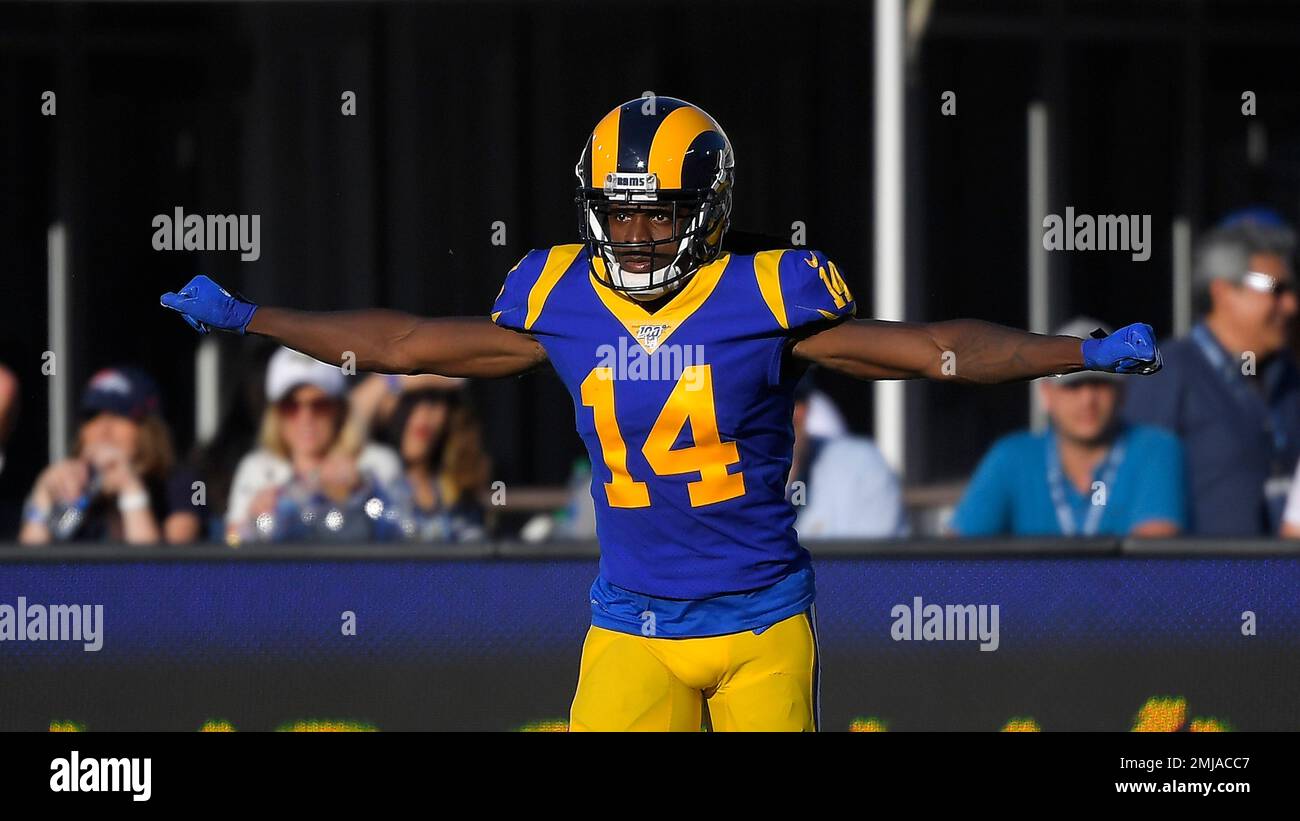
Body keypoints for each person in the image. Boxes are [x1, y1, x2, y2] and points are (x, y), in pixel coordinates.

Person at [161, 97, 1161, 731]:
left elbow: (935, 350)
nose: (636, 232)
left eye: (659, 210)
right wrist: (258, 316)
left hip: (761, 619)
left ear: (707, 208)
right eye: (620, 207)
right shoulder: (556, 295)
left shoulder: (769, 293)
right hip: (630, 622)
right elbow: (408, 343)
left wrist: (1071, 353)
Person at [1124, 210, 1300, 536]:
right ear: (1223, 292)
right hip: (1200, 582)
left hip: (1285, 581)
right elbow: (1136, 499)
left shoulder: (1289, 375)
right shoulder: (1167, 374)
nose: (1291, 306)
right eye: (1276, 290)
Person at [951, 318, 1186, 538]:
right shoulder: (1011, 457)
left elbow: (1153, 564)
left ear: (1122, 392)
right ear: (1047, 394)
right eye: (1074, 386)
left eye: (1099, 383)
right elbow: (954, 555)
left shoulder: (1156, 449)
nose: (1087, 400)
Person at [225, 346, 402, 544]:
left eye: (319, 405)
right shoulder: (257, 469)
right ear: (276, 415)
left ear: (340, 410)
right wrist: (252, 521)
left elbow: (403, 536)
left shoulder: (375, 464)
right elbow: (231, 544)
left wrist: (363, 493)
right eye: (291, 406)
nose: (306, 417)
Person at [20, 367, 203, 545]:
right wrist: (43, 494)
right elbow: (28, 571)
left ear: (148, 431)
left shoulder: (179, 484)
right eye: (93, 416)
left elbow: (158, 572)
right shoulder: (79, 485)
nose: (103, 429)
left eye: (118, 415)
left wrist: (130, 490)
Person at [788, 373, 908, 539]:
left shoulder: (860, 467)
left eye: (795, 401)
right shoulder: (740, 476)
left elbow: (870, 562)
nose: (785, 414)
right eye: (759, 406)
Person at [383, 383, 490, 542]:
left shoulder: (457, 492)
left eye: (435, 400)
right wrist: (402, 376)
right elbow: (357, 409)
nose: (424, 412)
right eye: (412, 400)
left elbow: (474, 554)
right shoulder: (374, 478)